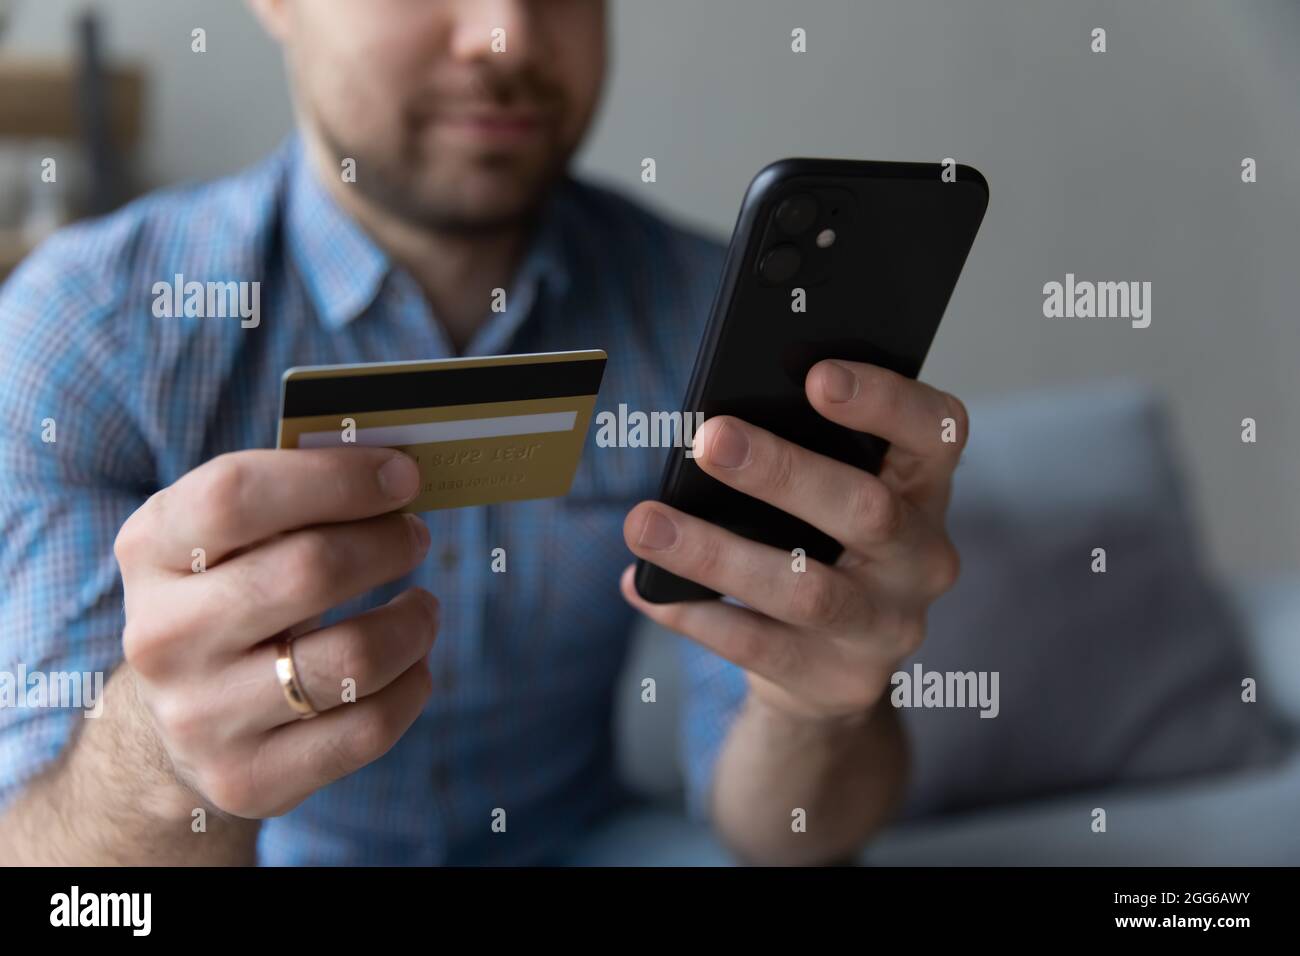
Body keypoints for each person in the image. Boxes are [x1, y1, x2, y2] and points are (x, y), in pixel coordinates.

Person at [0, 0, 965, 866]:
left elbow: (787, 837)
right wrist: (162, 759)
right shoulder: (91, 331)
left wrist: (820, 707)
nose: (506, 35)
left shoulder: (704, 316)